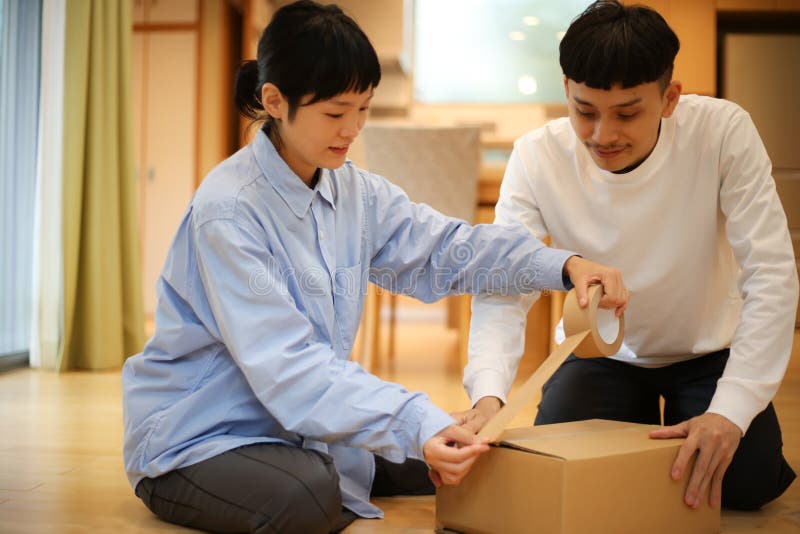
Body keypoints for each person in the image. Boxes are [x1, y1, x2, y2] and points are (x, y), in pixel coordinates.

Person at [121, 2, 628, 533]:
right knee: (313, 491)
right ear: (274, 101)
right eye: (336, 113)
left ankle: (326, 458)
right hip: (201, 434)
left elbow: (447, 249)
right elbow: (289, 367)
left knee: (459, 449)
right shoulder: (228, 211)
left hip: (296, 423)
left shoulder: (353, 191)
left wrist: (562, 266)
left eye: (363, 109)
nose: (353, 129)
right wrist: (414, 419)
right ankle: (301, 468)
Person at [461, 0, 797, 512]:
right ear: (567, 92)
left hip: (708, 352)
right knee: (571, 477)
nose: (602, 135)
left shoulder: (723, 132)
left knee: (742, 483)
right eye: (584, 110)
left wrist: (730, 411)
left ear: (670, 99)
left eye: (627, 113)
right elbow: (505, 283)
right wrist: (488, 395)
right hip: (600, 354)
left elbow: (771, 274)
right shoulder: (536, 155)